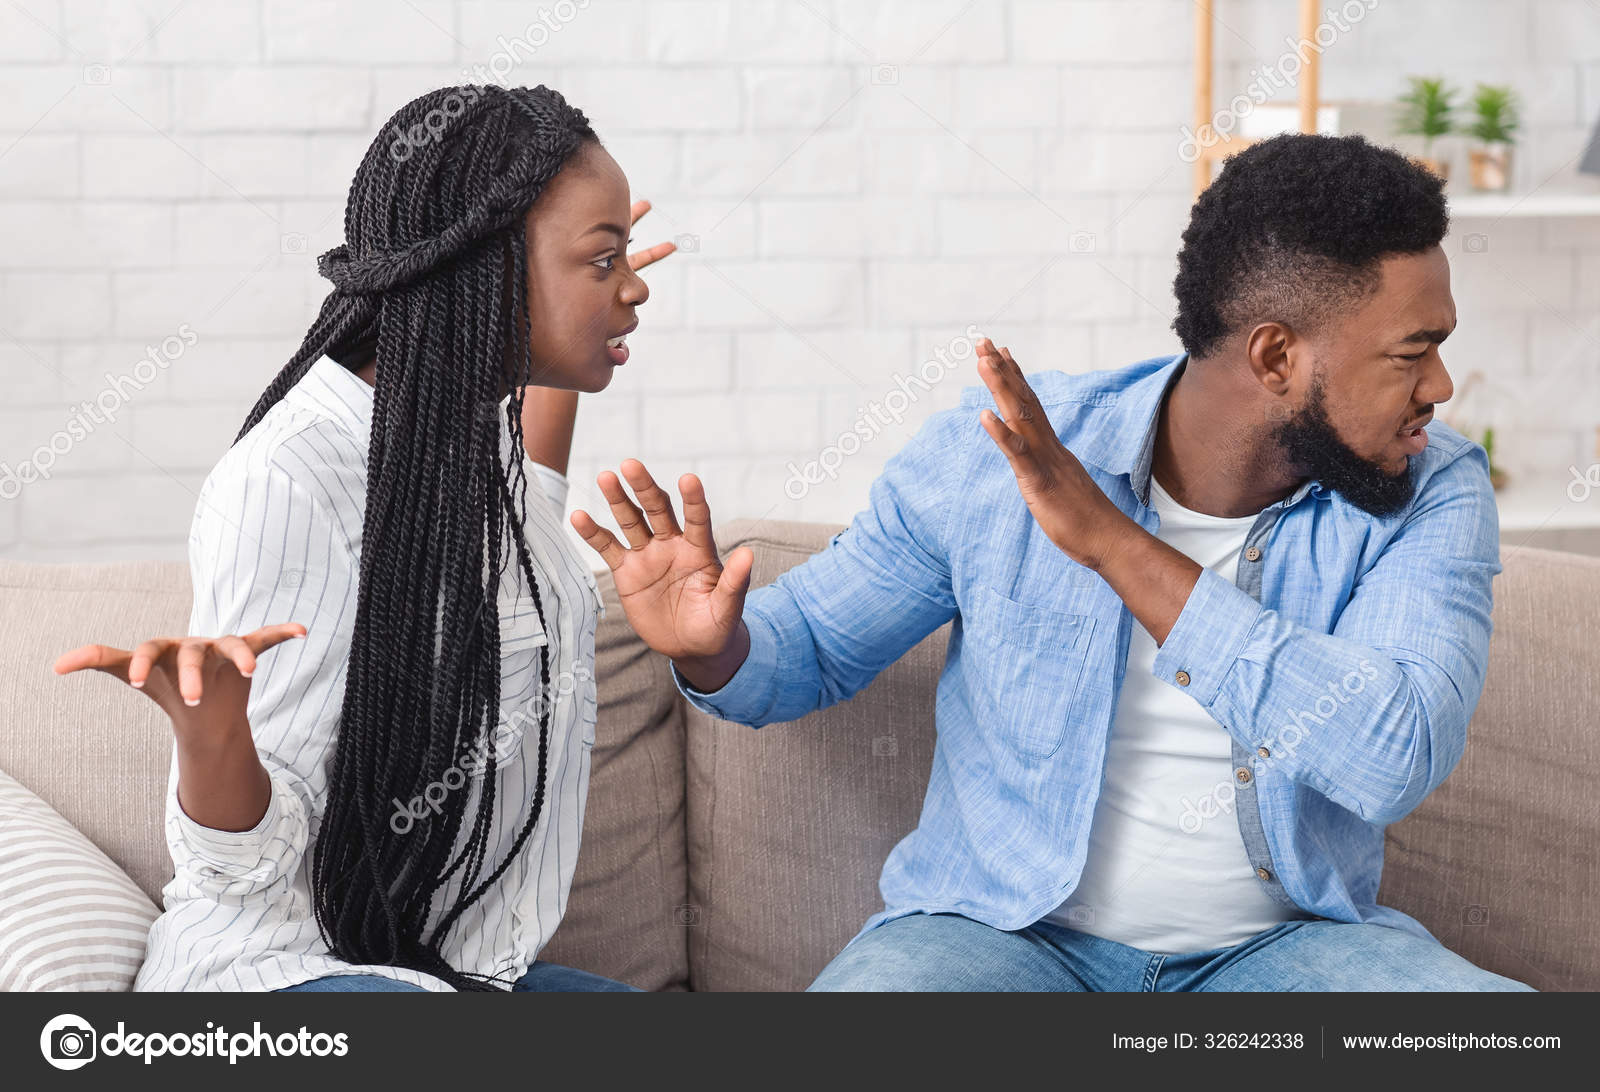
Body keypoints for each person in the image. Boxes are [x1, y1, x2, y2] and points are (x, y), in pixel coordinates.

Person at [571, 133, 1534, 991]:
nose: (1441, 388)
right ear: (1277, 357)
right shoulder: (1004, 458)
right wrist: (713, 647)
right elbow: (814, 646)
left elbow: (1392, 751)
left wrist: (1115, 545)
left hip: (1288, 953)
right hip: (1002, 940)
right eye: (1415, 353)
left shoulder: (1433, 488)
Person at [54, 83, 671, 992]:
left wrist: (576, 293)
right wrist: (213, 735)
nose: (638, 284)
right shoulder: (290, 478)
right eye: (605, 258)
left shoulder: (463, 438)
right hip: (279, 981)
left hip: (446, 973)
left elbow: (531, 495)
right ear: (487, 269)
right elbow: (246, 874)